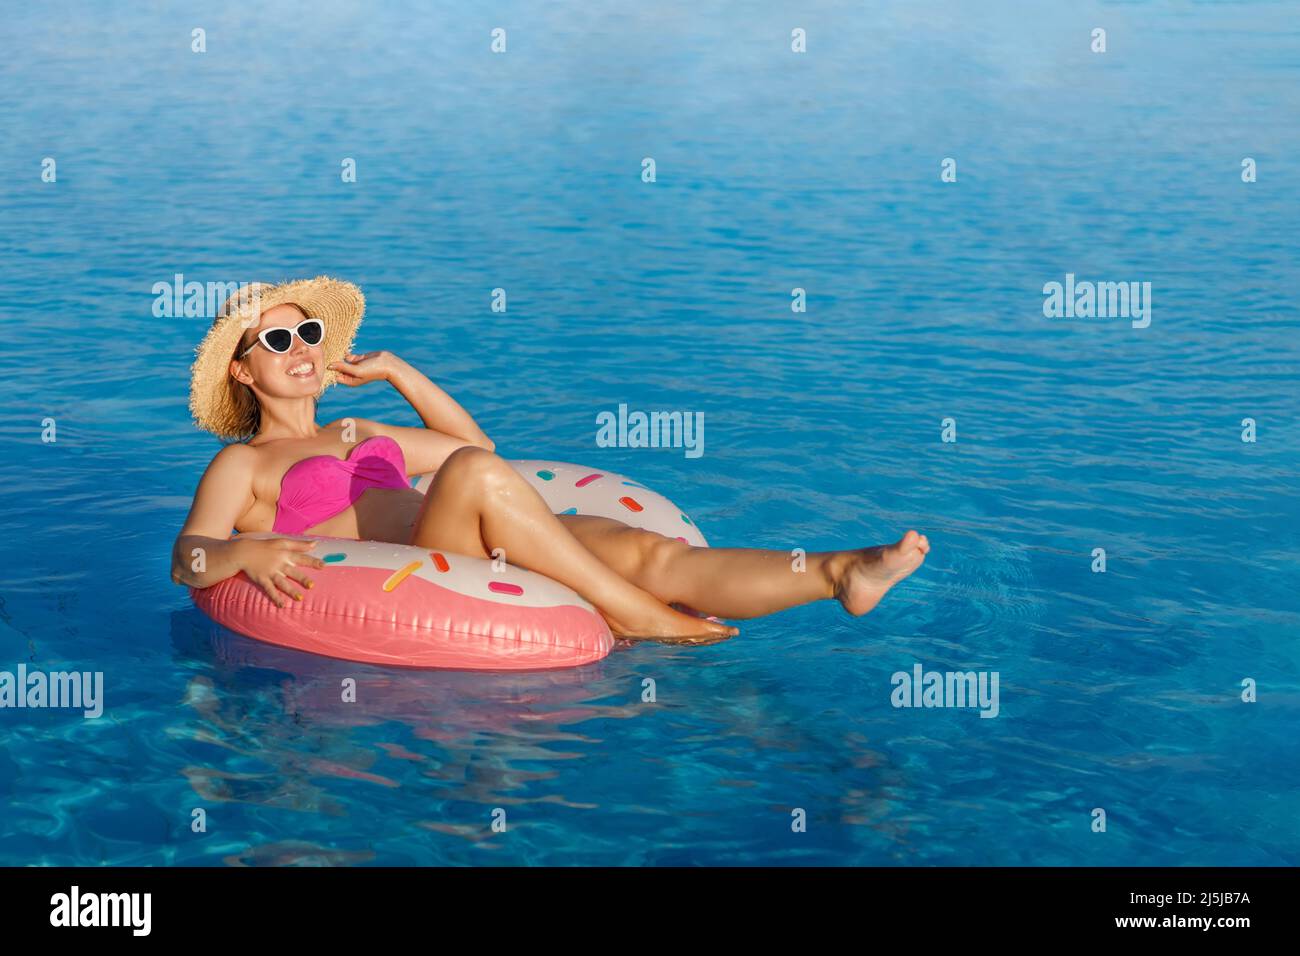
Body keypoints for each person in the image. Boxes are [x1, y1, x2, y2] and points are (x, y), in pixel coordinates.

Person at [171, 277, 929, 642]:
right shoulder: (243, 466)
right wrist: (244, 549)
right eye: (276, 342)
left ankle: (841, 573)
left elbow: (478, 448)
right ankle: (647, 622)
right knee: (470, 480)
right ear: (243, 371)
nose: (300, 351)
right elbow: (187, 557)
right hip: (424, 560)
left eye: (306, 336)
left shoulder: (358, 426)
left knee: (646, 549)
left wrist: (400, 372)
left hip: (483, 533)